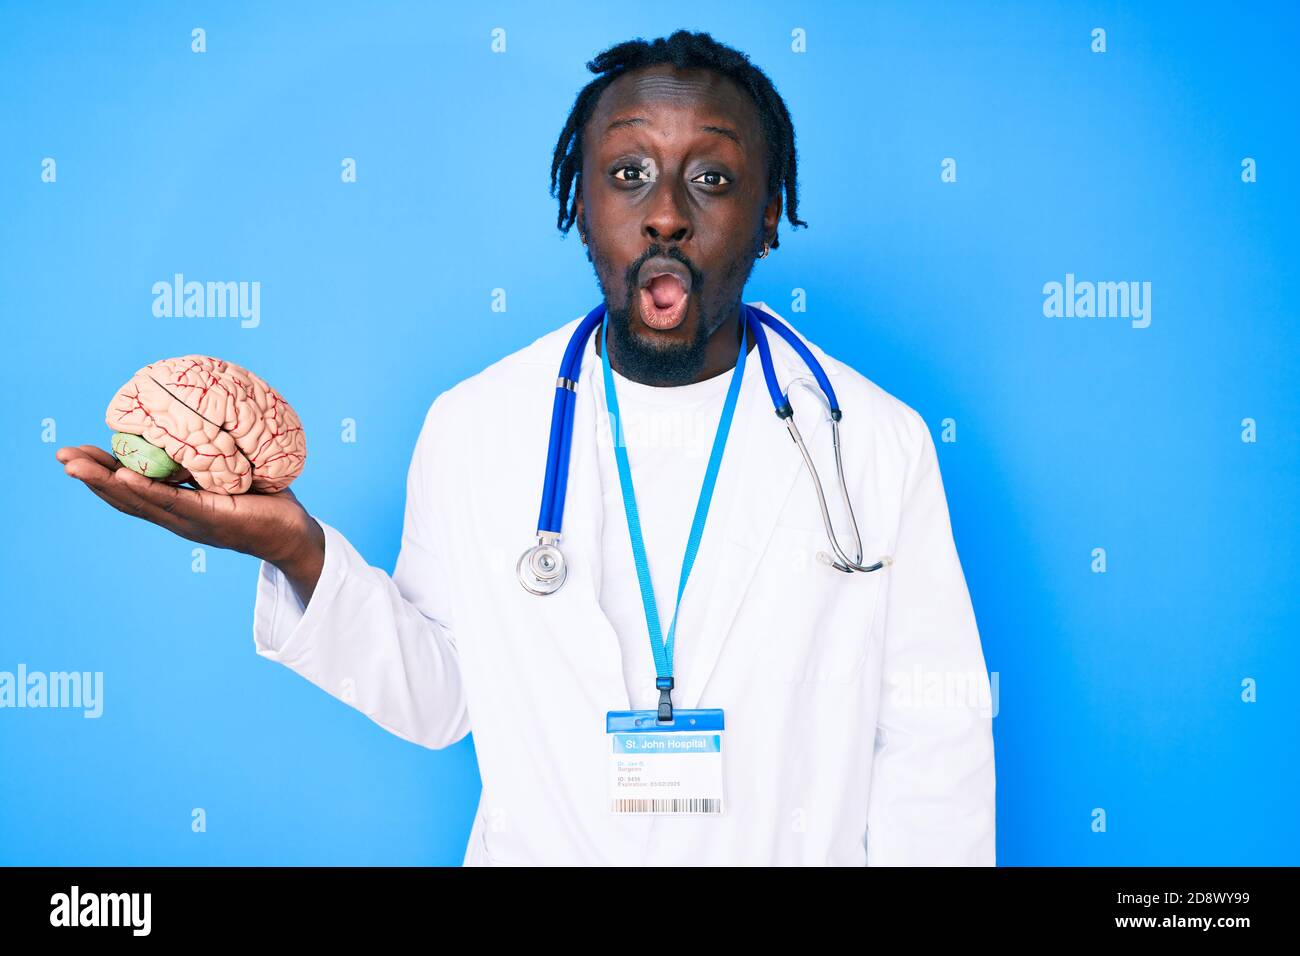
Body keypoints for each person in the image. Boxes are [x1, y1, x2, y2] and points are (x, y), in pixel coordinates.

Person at [57, 30, 995, 866]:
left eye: (712, 176)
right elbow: (438, 702)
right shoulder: (477, 425)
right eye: (628, 174)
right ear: (578, 205)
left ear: (768, 213)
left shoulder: (871, 440)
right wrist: (294, 550)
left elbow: (935, 740)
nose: (666, 212)